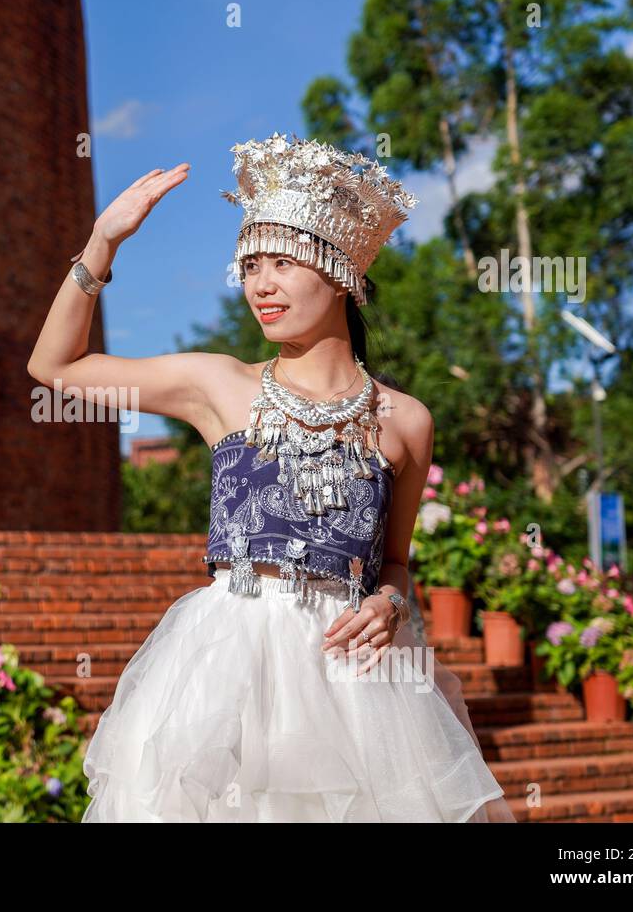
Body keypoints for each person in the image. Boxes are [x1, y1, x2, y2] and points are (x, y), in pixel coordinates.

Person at [28, 132, 514, 822]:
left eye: (283, 262)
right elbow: (56, 370)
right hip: (228, 666)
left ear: (340, 270)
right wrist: (102, 244)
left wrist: (389, 605)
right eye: (250, 264)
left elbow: (397, 562)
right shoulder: (218, 384)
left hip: (355, 687)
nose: (260, 284)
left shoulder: (406, 420)